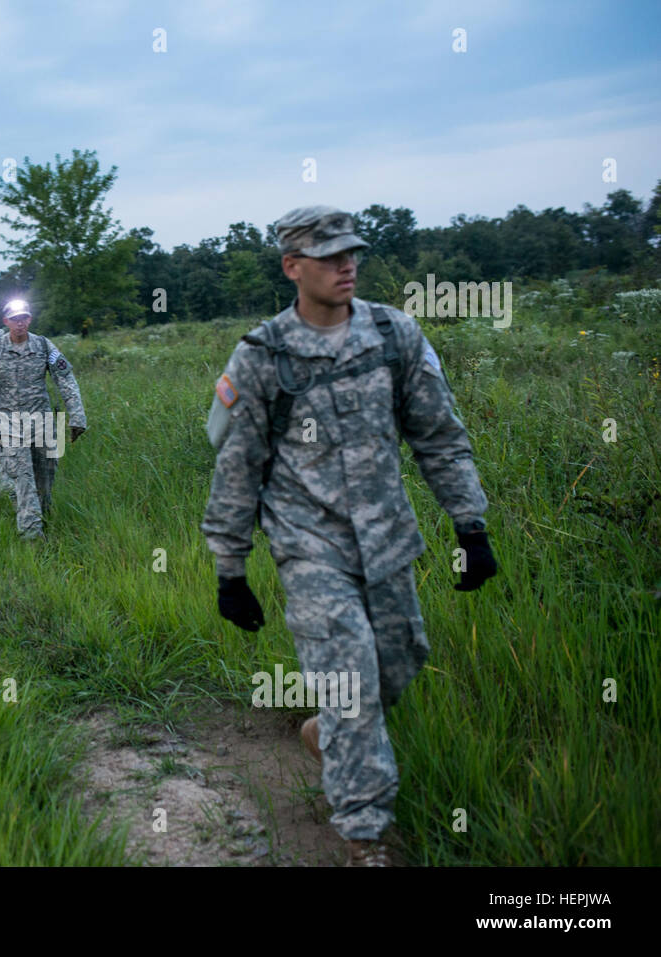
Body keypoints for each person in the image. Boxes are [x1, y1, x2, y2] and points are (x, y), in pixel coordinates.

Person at [200, 206, 498, 866]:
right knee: (350, 685)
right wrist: (230, 568)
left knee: (400, 659)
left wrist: (470, 524)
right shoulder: (262, 355)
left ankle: (324, 734)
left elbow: (440, 438)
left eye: (352, 252)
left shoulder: (394, 334)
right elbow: (236, 464)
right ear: (292, 266)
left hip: (388, 540)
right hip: (309, 547)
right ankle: (365, 839)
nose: (346, 264)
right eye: (330, 254)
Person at [0, 299, 86, 540]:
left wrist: (77, 416)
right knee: (24, 480)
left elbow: (65, 380)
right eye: (14, 318)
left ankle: (44, 521)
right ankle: (32, 538)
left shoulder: (44, 346)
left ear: (30, 319)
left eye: (24, 317)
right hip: (9, 424)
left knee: (45, 481)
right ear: (6, 321)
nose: (19, 322)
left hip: (42, 422)